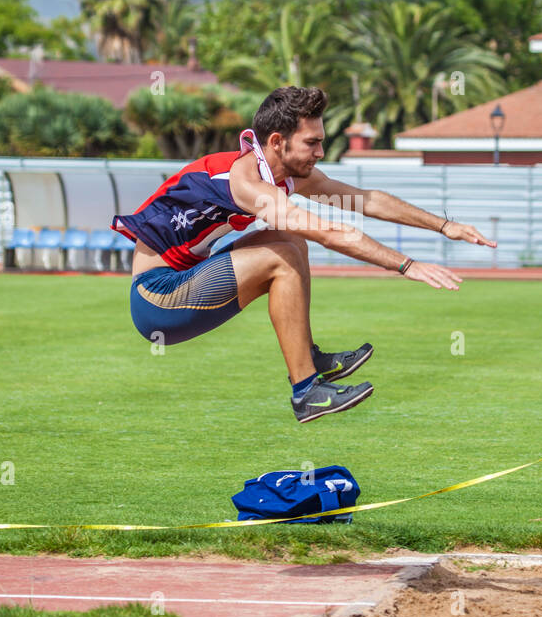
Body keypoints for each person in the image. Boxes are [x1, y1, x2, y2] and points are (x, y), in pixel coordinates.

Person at [112, 86, 496, 422]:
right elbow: (332, 234)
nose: (321, 151)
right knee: (283, 251)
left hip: (188, 277)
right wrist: (405, 265)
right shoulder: (247, 184)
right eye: (312, 142)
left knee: (290, 241)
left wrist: (445, 226)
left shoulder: (284, 175)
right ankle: (305, 392)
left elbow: (366, 201)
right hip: (157, 299)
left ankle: (309, 358)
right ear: (278, 142)